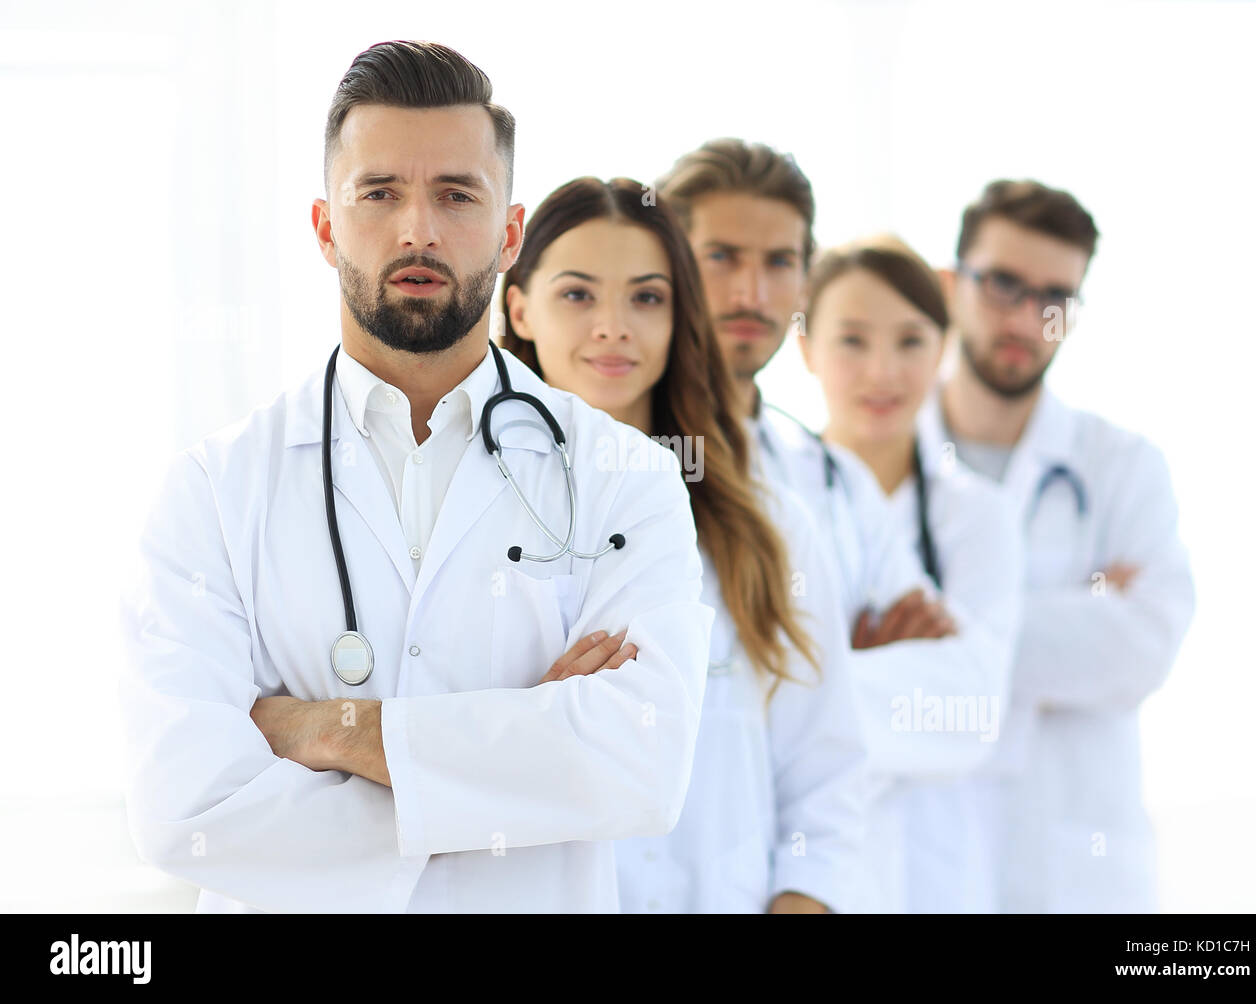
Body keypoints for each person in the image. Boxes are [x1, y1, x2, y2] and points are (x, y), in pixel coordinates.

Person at [116, 41, 714, 914]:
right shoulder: (212, 491)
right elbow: (186, 811)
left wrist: (326, 728)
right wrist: (522, 757)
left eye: (456, 195)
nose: (418, 230)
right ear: (326, 227)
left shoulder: (627, 479)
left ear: (510, 233)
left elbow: (643, 766)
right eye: (380, 193)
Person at [656, 139, 1014, 912]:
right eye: (721, 256)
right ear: (669, 263)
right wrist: (824, 668)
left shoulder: (834, 482)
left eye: (780, 262)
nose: (752, 290)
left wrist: (789, 688)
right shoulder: (612, 461)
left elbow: (968, 709)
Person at [501, 176, 869, 913]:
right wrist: (535, 728)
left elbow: (828, 790)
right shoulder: (469, 524)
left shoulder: (767, 529)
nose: (613, 327)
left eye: (646, 297)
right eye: (577, 295)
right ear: (520, 309)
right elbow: (436, 770)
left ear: (679, 320)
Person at [932, 179, 1195, 912]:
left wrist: (950, 629)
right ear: (952, 286)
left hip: (1076, 878)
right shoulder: (880, 464)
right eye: (1003, 284)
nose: (1025, 316)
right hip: (923, 863)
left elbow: (1145, 645)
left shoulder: (1123, 466)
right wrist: (1073, 609)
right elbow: (855, 656)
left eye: (1053, 298)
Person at [798, 234, 1022, 912]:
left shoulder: (978, 515)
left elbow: (973, 709)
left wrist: (818, 670)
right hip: (802, 869)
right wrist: (881, 667)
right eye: (853, 341)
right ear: (805, 347)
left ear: (944, 348)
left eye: (911, 341)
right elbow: (741, 703)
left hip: (938, 873)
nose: (883, 372)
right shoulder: (768, 501)